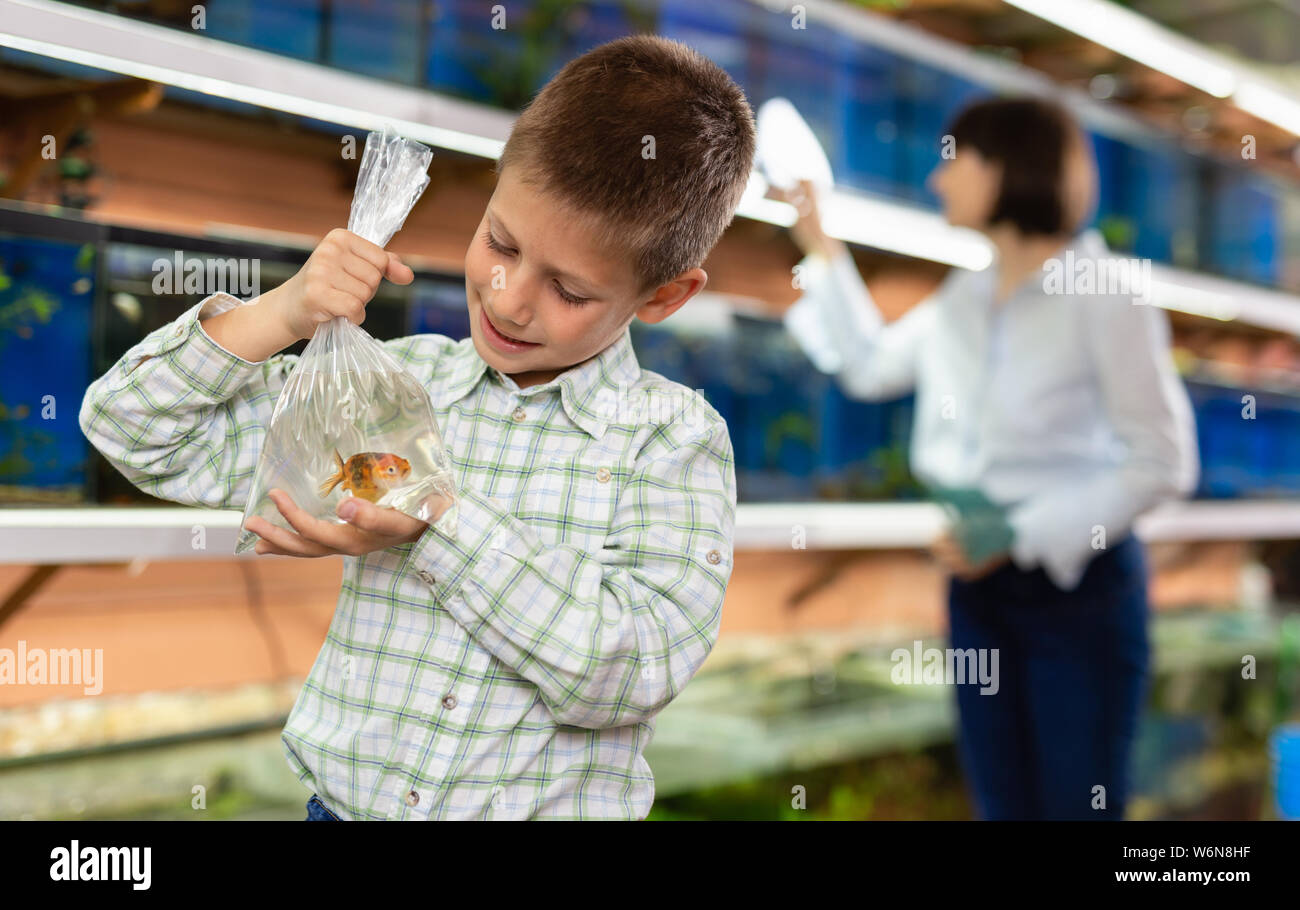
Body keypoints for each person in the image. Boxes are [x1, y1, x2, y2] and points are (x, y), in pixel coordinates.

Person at [79, 35, 755, 820]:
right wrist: (284, 311)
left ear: (665, 297)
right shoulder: (396, 388)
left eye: (568, 290)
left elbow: (626, 672)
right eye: (500, 243)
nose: (507, 300)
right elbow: (132, 427)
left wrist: (433, 518)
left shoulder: (671, 438)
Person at [779, 97, 1199, 820]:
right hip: (977, 592)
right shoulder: (964, 298)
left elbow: (1163, 461)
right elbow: (871, 366)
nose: (938, 180)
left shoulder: (1106, 299)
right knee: (1001, 804)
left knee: (1076, 806)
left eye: (953, 159)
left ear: (1004, 167)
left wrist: (1020, 533)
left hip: (1077, 591)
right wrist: (818, 241)